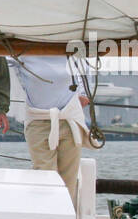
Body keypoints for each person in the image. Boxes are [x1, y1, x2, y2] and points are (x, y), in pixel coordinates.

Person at [15, 60, 92, 209]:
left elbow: (84, 67)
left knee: (69, 175)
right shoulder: (21, 52)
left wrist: (83, 93)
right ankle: (46, 214)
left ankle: (66, 217)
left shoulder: (72, 51)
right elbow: (2, 62)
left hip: (69, 118)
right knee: (44, 173)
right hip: (38, 120)